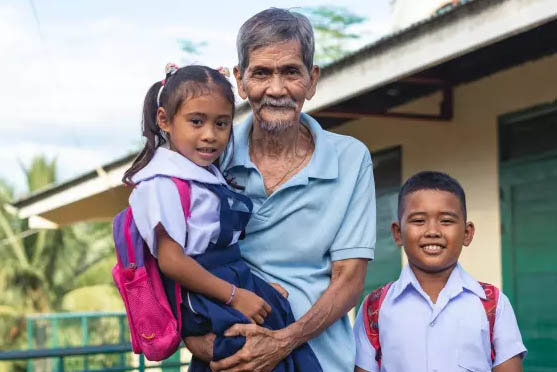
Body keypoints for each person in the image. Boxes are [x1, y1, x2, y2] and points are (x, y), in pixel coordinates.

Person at [185, 8, 376, 372]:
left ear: (312, 78)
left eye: (290, 72)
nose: (276, 89)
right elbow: (167, 253)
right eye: (261, 73)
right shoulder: (210, 156)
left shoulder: (351, 159)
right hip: (226, 358)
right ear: (240, 81)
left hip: (319, 358)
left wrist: (281, 341)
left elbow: (349, 280)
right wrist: (200, 342)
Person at [122, 64, 321, 371]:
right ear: (165, 120)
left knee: (282, 335)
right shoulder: (162, 182)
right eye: (196, 122)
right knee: (245, 353)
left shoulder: (204, 174)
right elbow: (172, 261)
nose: (210, 136)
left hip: (231, 280)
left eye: (221, 124)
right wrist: (235, 296)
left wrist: (258, 288)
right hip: (204, 291)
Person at [353, 171, 527, 372]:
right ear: (398, 233)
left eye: (446, 221)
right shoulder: (374, 308)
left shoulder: (493, 305)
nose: (432, 231)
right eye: (418, 221)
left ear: (467, 233)